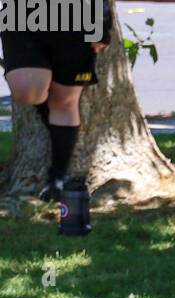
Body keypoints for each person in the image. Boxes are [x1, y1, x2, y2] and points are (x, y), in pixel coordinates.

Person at [1, 0, 111, 200]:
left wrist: (101, 21)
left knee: (65, 101)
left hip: (78, 13)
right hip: (21, 12)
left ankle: (57, 178)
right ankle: (45, 94)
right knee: (26, 91)